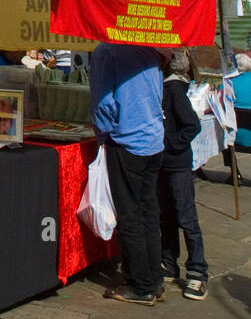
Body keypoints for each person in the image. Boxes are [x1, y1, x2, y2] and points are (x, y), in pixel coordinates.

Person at [89, 42, 166, 305]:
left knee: (131, 216)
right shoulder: (147, 49)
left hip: (128, 142)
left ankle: (141, 285)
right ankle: (154, 280)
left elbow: (103, 103)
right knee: (148, 213)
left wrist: (103, 133)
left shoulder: (106, 51)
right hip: (153, 140)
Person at [158, 49, 208, 299]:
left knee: (185, 217)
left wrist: (172, 144)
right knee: (166, 214)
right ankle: (169, 261)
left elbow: (192, 125)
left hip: (176, 163)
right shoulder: (167, 89)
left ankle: (197, 271)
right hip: (166, 163)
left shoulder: (174, 91)